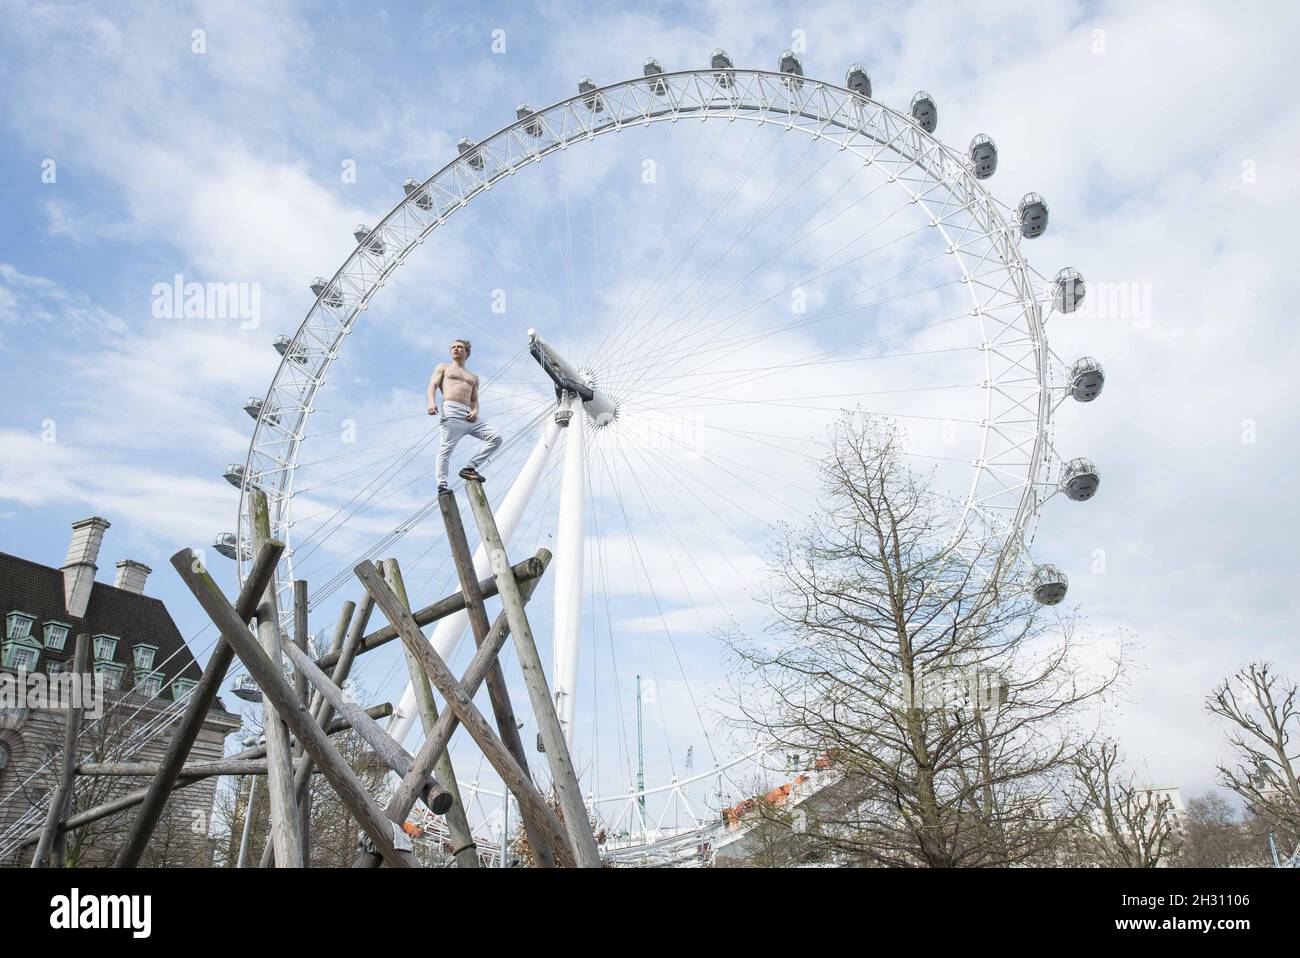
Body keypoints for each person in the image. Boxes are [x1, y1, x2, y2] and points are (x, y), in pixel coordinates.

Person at [428, 339, 502, 491]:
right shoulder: (444, 367)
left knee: (496, 438)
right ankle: (442, 485)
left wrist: (475, 411)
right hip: (451, 411)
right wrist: (431, 402)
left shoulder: (473, 377)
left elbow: (474, 400)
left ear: (466, 352)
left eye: (460, 347)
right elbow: (433, 386)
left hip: (469, 415)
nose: (456, 349)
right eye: (453, 347)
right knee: (445, 449)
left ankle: (469, 468)